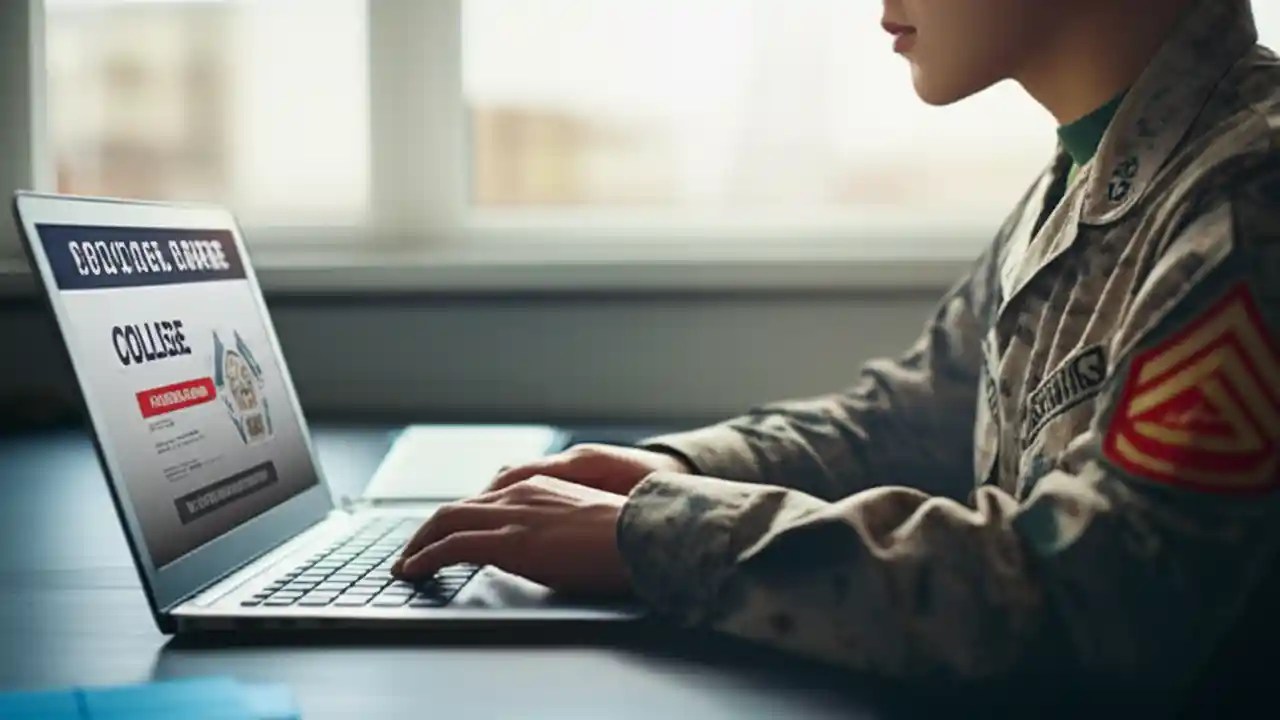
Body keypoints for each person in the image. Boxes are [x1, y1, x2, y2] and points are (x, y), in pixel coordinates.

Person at [393, 0, 1280, 695]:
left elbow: (1106, 591)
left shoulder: (1247, 201)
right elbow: (914, 417)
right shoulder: (1097, 168)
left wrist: (658, 534)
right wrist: (661, 471)